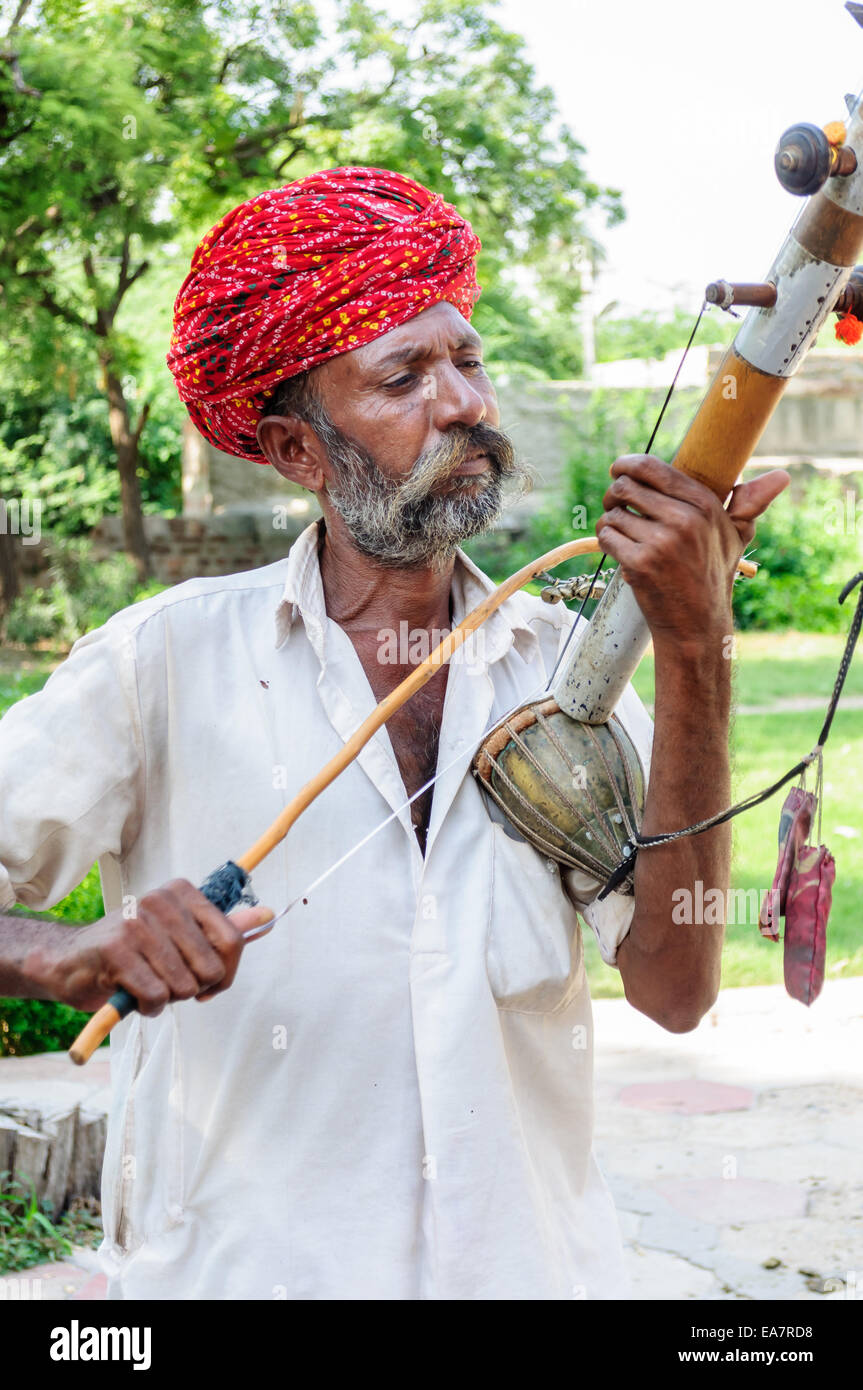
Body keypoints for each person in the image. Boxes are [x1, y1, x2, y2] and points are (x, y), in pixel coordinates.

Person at [0, 166, 788, 1300]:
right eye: (403, 375)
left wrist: (695, 649)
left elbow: (675, 990)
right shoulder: (158, 663)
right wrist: (60, 956)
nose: (463, 401)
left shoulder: (565, 669)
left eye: (465, 359)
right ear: (292, 452)